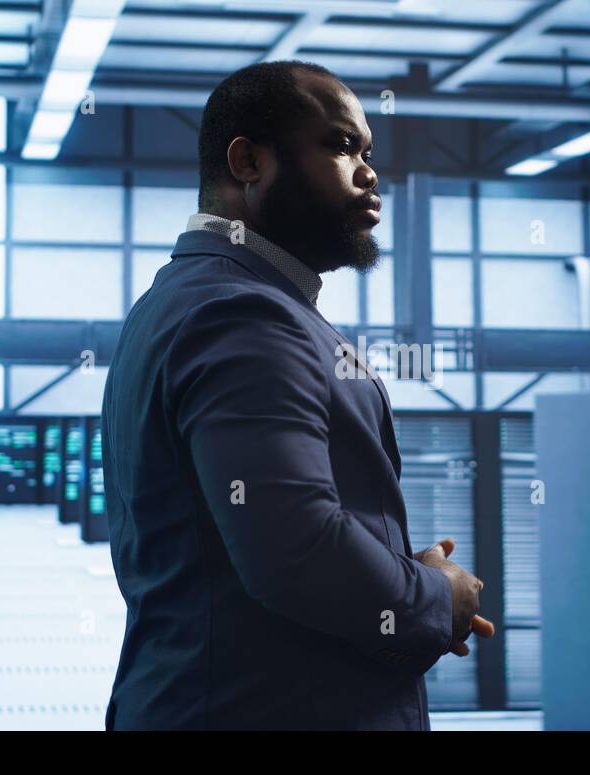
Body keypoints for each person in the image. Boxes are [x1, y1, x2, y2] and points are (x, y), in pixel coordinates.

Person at [101, 60, 494, 730]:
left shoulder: (201, 300)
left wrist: (395, 567)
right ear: (248, 162)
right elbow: (297, 547)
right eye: (340, 146)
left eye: (368, 152)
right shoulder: (242, 314)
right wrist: (434, 596)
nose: (369, 172)